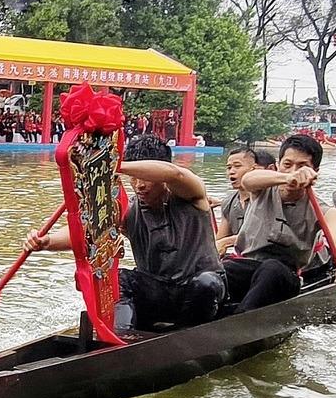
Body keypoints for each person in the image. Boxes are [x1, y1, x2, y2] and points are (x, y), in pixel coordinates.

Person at [24, 134, 225, 331]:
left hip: (200, 289)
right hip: (159, 291)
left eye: (145, 177)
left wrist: (112, 166)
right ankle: (122, 337)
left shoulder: (191, 195)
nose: (139, 185)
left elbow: (175, 174)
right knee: (118, 279)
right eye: (133, 179)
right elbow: (87, 231)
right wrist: (46, 242)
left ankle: (188, 336)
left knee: (205, 284)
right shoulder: (128, 211)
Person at [225, 134, 336, 313]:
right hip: (246, 266)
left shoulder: (324, 210)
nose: (293, 171)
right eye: (287, 165)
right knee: (215, 271)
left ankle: (238, 325)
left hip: (284, 276)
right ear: (278, 165)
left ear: (315, 171)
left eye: (302, 166)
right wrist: (287, 178)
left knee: (271, 269)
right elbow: (249, 179)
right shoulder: (261, 189)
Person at [215, 147, 258, 256]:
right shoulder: (228, 202)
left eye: (237, 166)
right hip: (241, 260)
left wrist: (226, 242)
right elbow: (220, 240)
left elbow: (260, 236)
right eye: (229, 168)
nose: (232, 172)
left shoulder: (266, 198)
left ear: (254, 169)